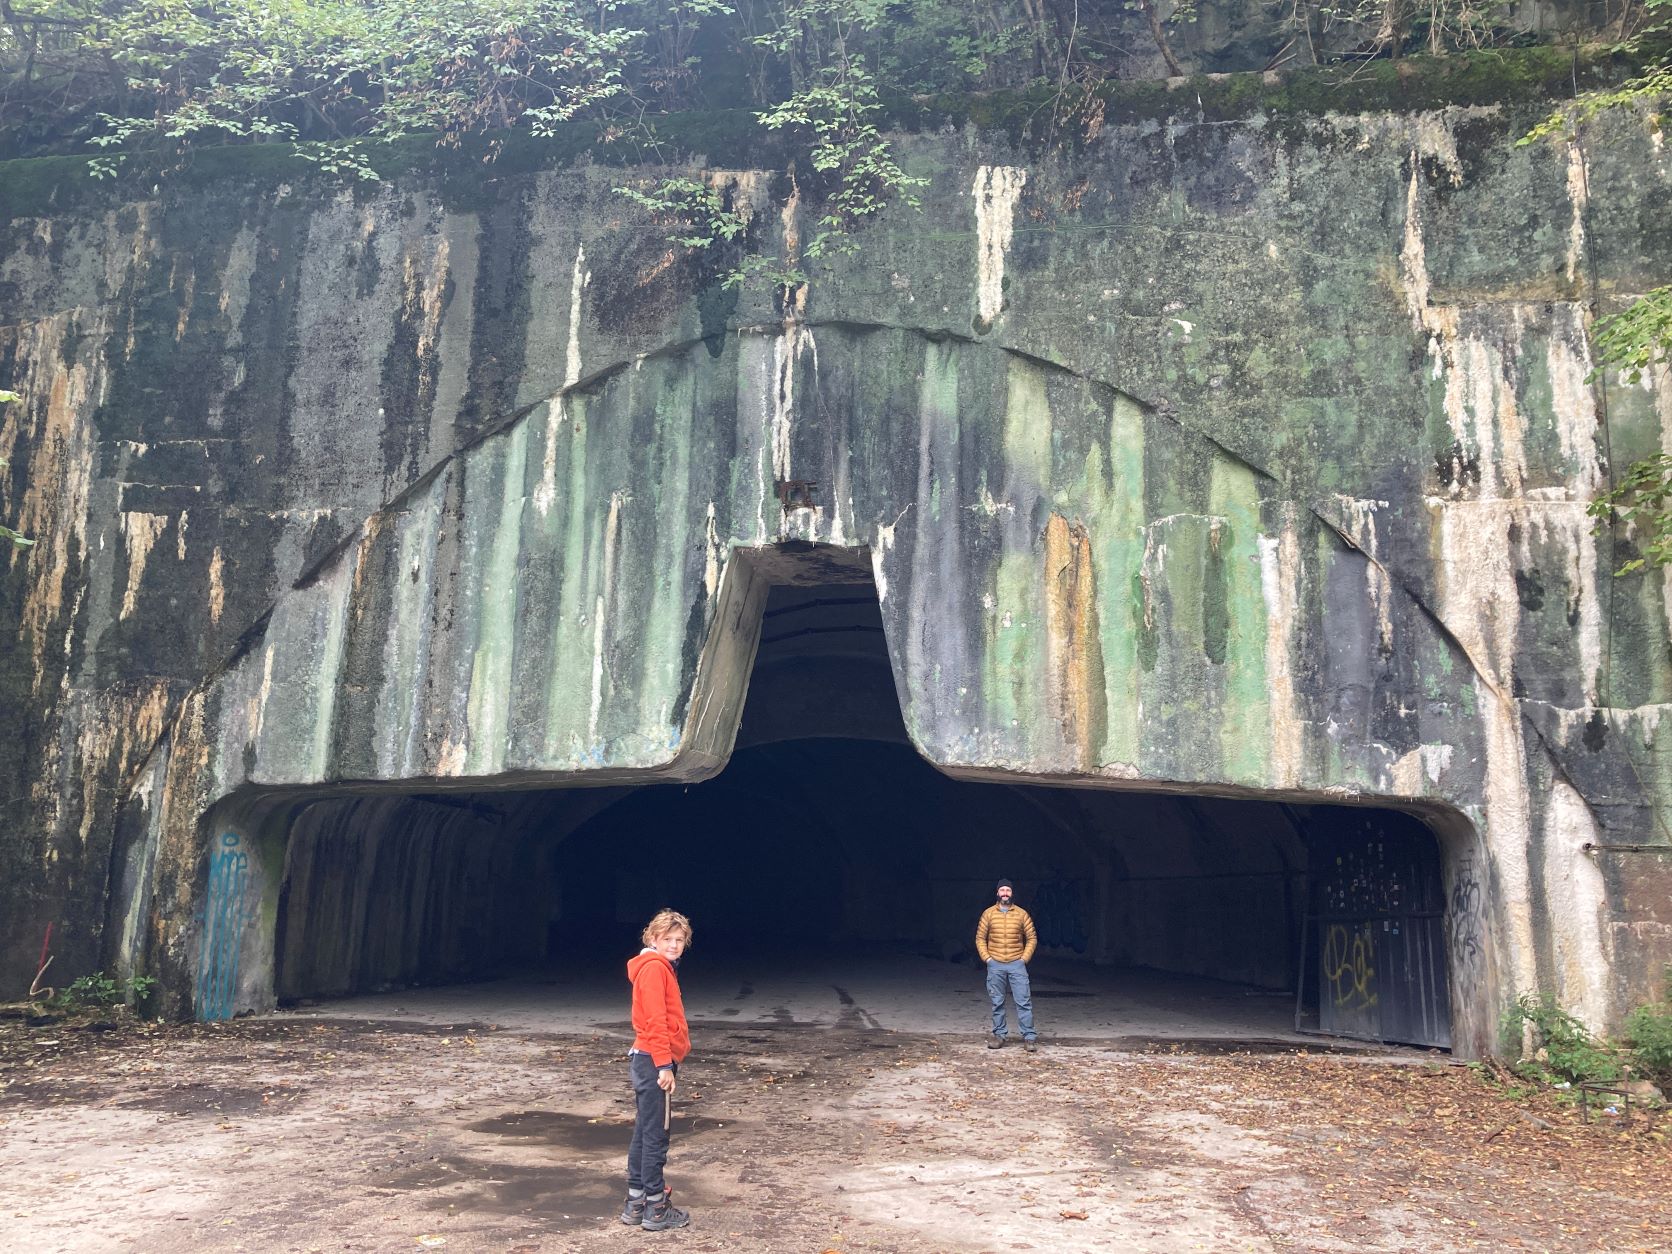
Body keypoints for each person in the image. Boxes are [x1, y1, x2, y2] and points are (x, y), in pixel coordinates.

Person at [620, 909, 693, 1231]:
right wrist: (664, 1065)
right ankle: (656, 1207)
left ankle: (636, 1203)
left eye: (680, 940)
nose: (675, 945)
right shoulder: (653, 969)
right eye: (668, 939)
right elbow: (654, 1021)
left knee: (644, 1131)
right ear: (653, 939)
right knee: (656, 1136)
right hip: (653, 1060)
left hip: (649, 1058)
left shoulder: (658, 967)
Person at [975, 879, 1038, 1051]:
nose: (1005, 893)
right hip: (995, 963)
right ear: (997, 893)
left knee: (1023, 1001)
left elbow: (1031, 938)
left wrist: (1024, 958)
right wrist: (987, 958)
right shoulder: (988, 914)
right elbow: (980, 938)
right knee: (997, 1002)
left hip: (1017, 963)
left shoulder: (1021, 914)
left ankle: (1029, 1038)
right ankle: (999, 1035)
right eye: (1002, 890)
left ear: (1012, 893)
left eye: (1008, 890)